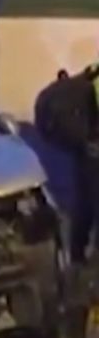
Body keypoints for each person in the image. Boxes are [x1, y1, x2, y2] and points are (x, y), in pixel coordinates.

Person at [37, 64, 99, 263]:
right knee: (87, 203)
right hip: (92, 147)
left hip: (87, 147)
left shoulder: (92, 72)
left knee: (84, 204)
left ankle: (77, 257)